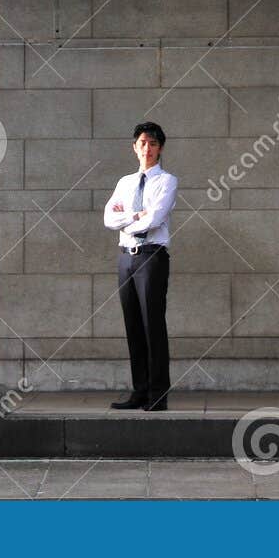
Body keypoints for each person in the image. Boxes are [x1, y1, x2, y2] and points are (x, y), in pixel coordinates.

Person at [103, 121, 177, 411]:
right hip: (126, 257)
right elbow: (109, 219)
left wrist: (129, 217)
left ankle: (158, 394)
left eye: (153, 143)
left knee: (152, 325)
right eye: (143, 143)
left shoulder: (167, 181)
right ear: (134, 147)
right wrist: (136, 215)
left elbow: (155, 218)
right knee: (133, 325)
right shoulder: (124, 183)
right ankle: (140, 391)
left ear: (160, 148)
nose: (147, 148)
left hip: (151, 257)